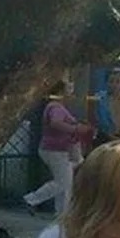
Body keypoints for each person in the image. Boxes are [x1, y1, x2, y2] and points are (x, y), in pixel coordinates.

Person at [24, 80, 92, 215]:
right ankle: (31, 199)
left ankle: (62, 213)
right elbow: (55, 123)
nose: (72, 93)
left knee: (66, 181)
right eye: (69, 89)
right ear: (61, 92)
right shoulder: (55, 107)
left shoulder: (59, 107)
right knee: (63, 182)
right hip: (54, 150)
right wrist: (75, 129)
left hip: (60, 150)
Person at [95, 67, 120, 146]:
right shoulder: (100, 98)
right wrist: (110, 137)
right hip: (103, 137)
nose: (114, 85)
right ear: (106, 82)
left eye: (117, 82)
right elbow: (97, 120)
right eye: (111, 81)